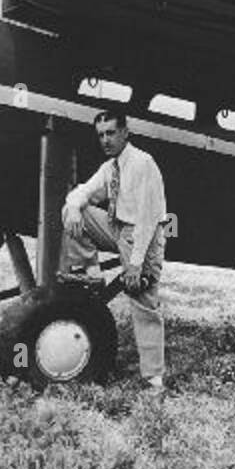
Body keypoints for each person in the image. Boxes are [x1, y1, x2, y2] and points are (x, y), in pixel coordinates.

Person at [59, 106, 168, 391]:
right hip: (117, 227)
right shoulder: (110, 168)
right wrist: (72, 207)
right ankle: (90, 272)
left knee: (143, 303)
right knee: (75, 211)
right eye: (100, 135)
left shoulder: (143, 163)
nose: (105, 140)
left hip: (144, 235)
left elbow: (148, 217)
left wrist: (135, 263)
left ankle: (154, 380)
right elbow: (85, 190)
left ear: (124, 133)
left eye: (110, 133)